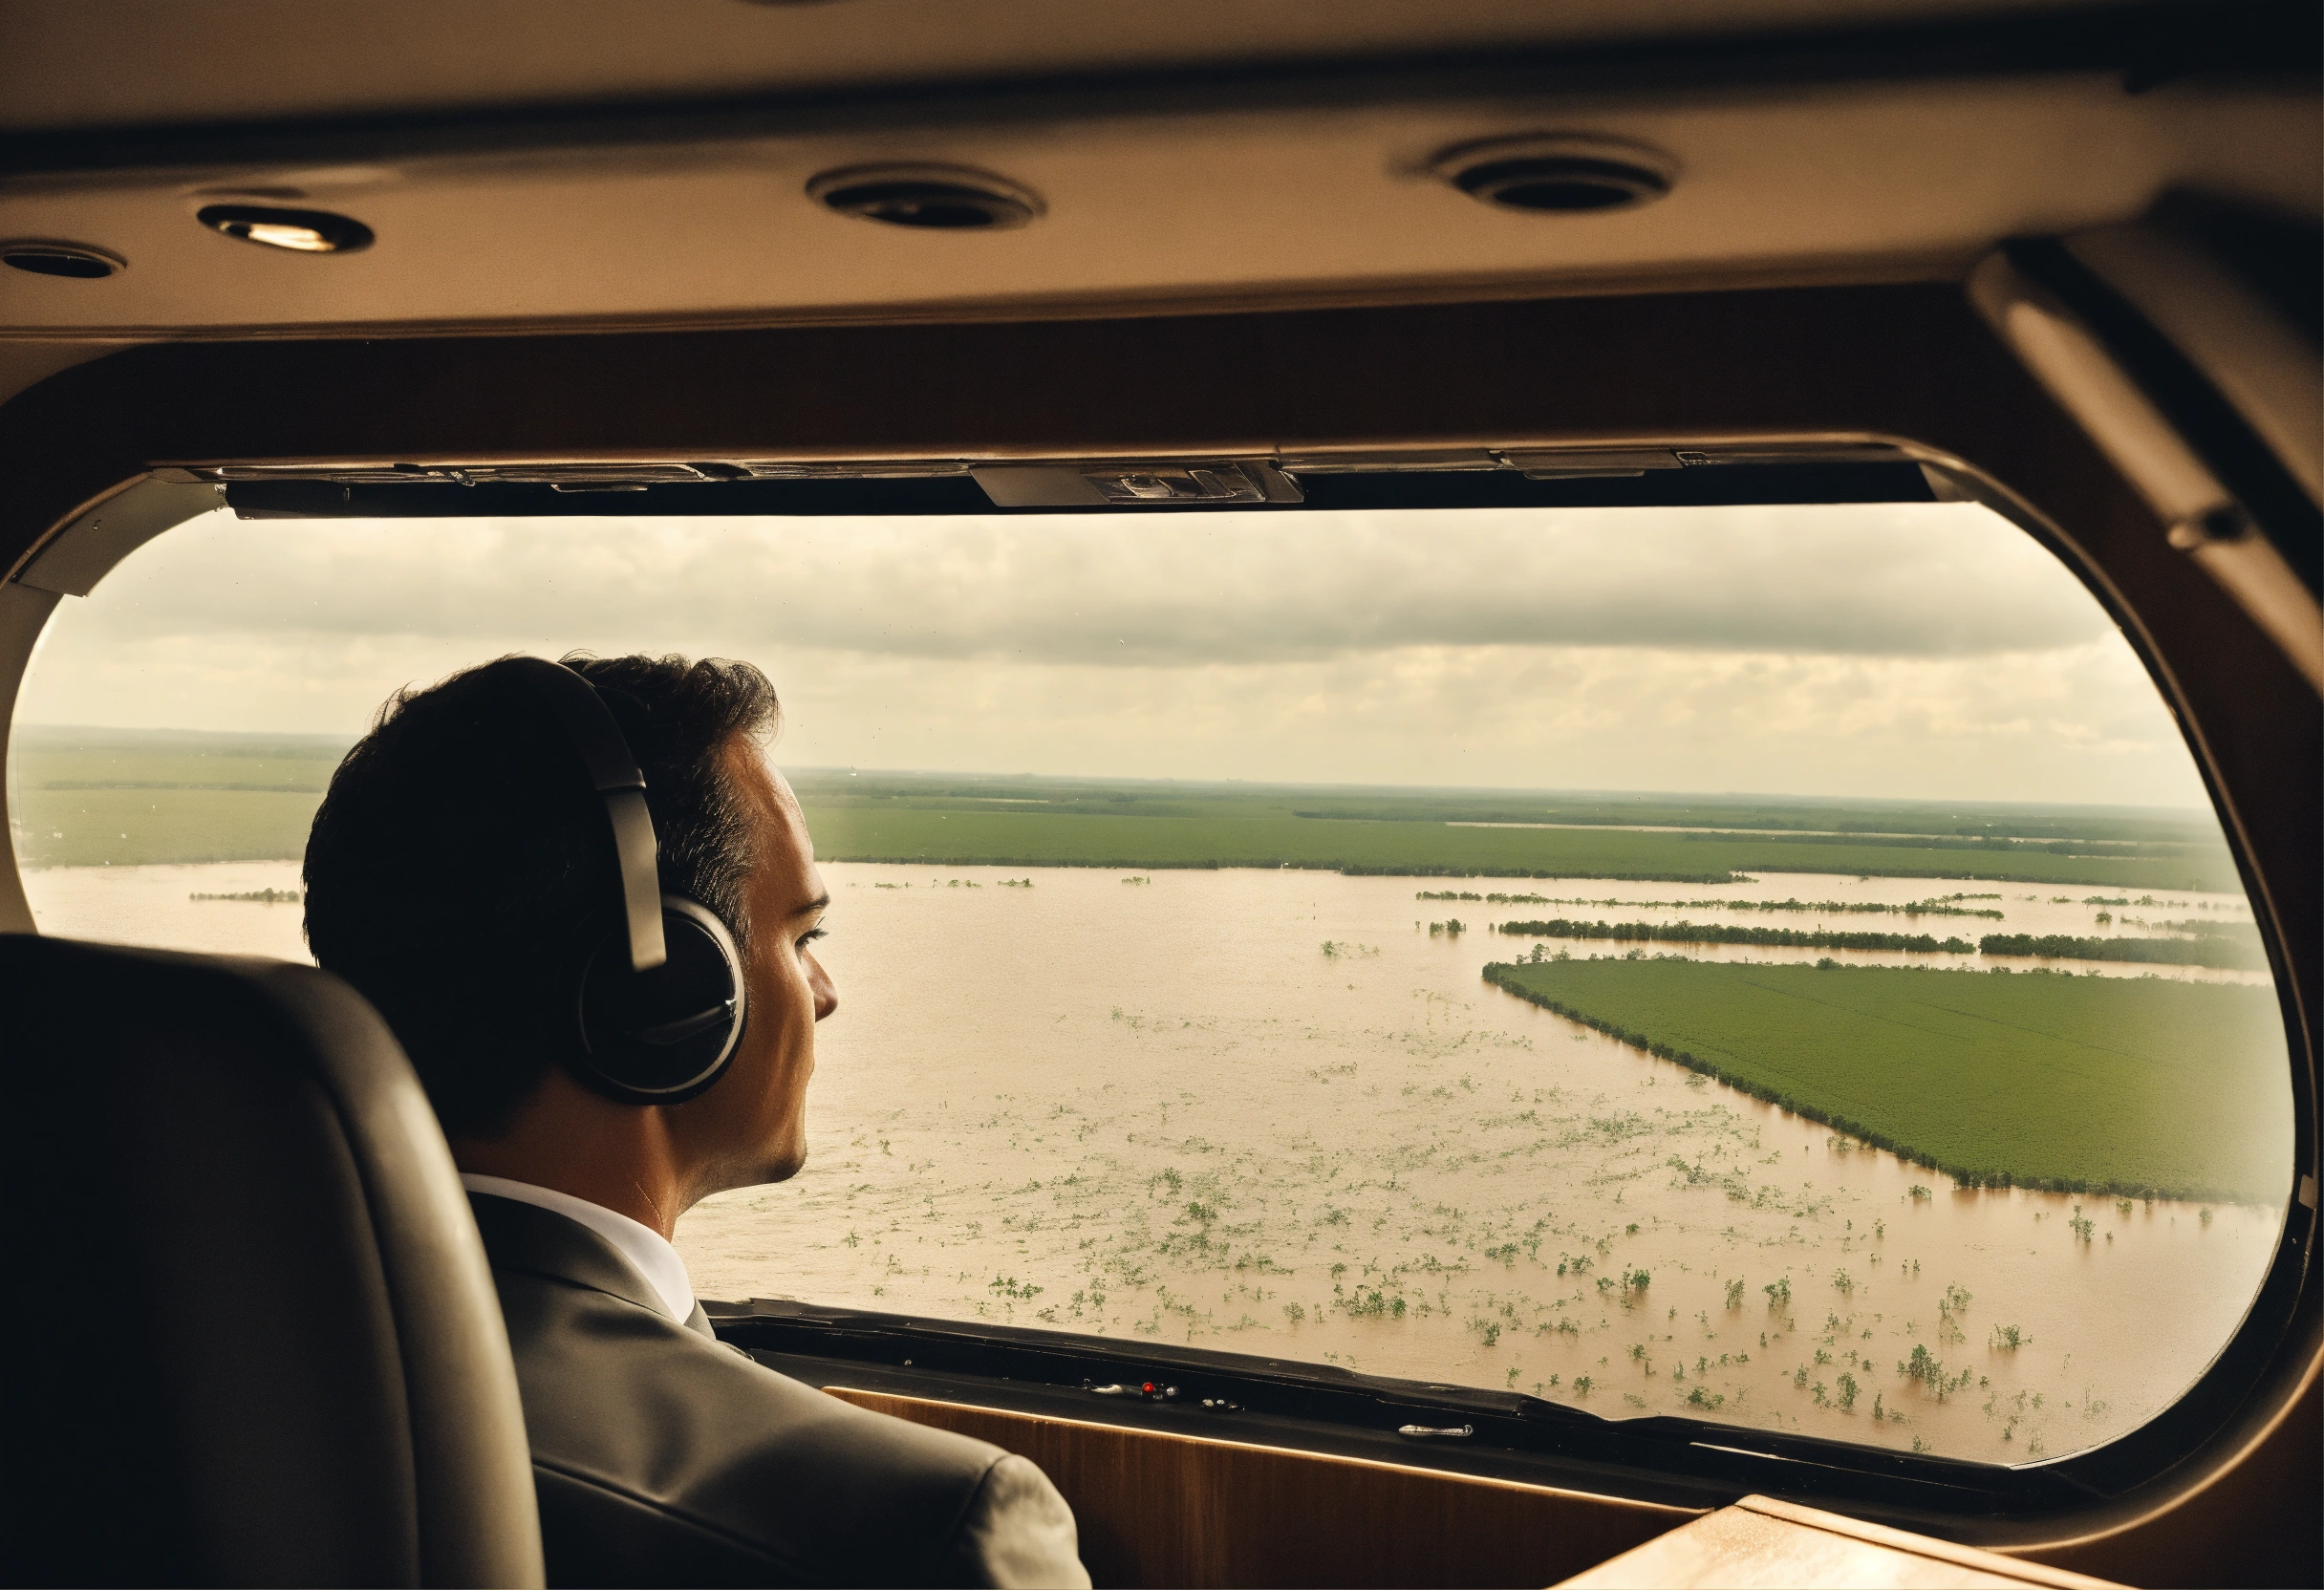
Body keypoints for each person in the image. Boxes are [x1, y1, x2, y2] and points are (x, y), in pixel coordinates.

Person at [302, 653, 1088, 1589]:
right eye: (803, 938)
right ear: (662, 993)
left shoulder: (172, 1370)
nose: (825, 994)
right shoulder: (927, 1526)